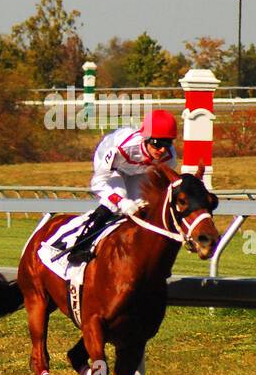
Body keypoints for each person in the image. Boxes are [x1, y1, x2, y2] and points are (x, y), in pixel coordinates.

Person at [59, 109, 179, 263]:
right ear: (146, 139)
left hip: (138, 172)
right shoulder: (121, 148)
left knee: (142, 208)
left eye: (167, 143)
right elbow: (97, 183)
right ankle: (80, 246)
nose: (162, 150)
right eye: (157, 144)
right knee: (117, 200)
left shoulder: (170, 157)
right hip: (112, 167)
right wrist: (121, 202)